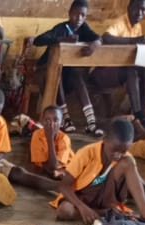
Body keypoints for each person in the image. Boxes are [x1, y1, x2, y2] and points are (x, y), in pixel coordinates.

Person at [51, 118, 145, 225]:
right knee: (65, 211)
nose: (118, 155)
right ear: (104, 140)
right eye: (114, 150)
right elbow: (64, 185)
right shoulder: (86, 153)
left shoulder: (125, 160)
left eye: (123, 151)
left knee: (128, 162)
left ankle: (143, 214)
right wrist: (81, 207)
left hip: (106, 200)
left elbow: (143, 187)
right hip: (82, 198)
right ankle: (106, 213)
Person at [32, 0, 102, 135]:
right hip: (47, 71)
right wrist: (61, 39)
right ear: (70, 14)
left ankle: (91, 122)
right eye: (76, 14)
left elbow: (98, 38)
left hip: (66, 74)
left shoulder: (83, 29)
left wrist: (94, 46)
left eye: (83, 15)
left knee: (78, 77)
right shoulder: (61, 28)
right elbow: (38, 40)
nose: (79, 18)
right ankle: (65, 118)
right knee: (57, 74)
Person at [97, 0, 145, 136]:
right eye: (137, 9)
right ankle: (139, 117)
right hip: (102, 72)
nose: (140, 13)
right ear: (129, 8)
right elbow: (106, 38)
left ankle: (142, 115)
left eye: (143, 10)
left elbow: (137, 48)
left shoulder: (137, 27)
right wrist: (135, 40)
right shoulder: (120, 22)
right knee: (132, 72)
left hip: (120, 73)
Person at [4, 104, 75, 193]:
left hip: (66, 168)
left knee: (65, 178)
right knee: (35, 175)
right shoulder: (37, 135)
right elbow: (44, 166)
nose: (51, 124)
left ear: (61, 123)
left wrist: (50, 138)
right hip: (48, 168)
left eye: (56, 120)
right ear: (42, 122)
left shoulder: (64, 139)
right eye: (47, 120)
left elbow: (54, 167)